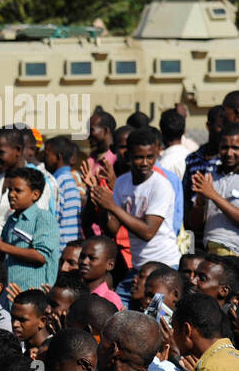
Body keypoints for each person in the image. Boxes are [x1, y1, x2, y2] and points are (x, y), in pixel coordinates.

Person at [91, 127, 181, 301]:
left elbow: (148, 232)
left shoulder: (161, 186)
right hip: (137, 267)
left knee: (157, 317)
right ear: (128, 157)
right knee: (116, 310)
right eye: (139, 157)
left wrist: (114, 207)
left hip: (164, 266)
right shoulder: (122, 183)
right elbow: (112, 230)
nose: (146, 163)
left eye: (150, 157)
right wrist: (103, 205)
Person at [0, 166, 59, 294]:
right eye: (9, 190)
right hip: (10, 294)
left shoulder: (43, 218)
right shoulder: (12, 220)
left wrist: (1, 245)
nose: (11, 195)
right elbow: (5, 257)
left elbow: (40, 256)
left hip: (32, 296)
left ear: (35, 194)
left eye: (18, 191)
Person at [189, 122, 239, 256]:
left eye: (235, 148)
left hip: (234, 252)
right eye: (224, 147)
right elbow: (195, 224)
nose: (229, 153)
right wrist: (200, 200)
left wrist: (213, 195)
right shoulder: (210, 175)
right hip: (211, 251)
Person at [43, 135, 84, 247]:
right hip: (69, 243)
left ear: (58, 157)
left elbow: (54, 217)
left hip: (62, 246)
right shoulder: (68, 178)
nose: (44, 159)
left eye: (47, 155)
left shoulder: (59, 182)